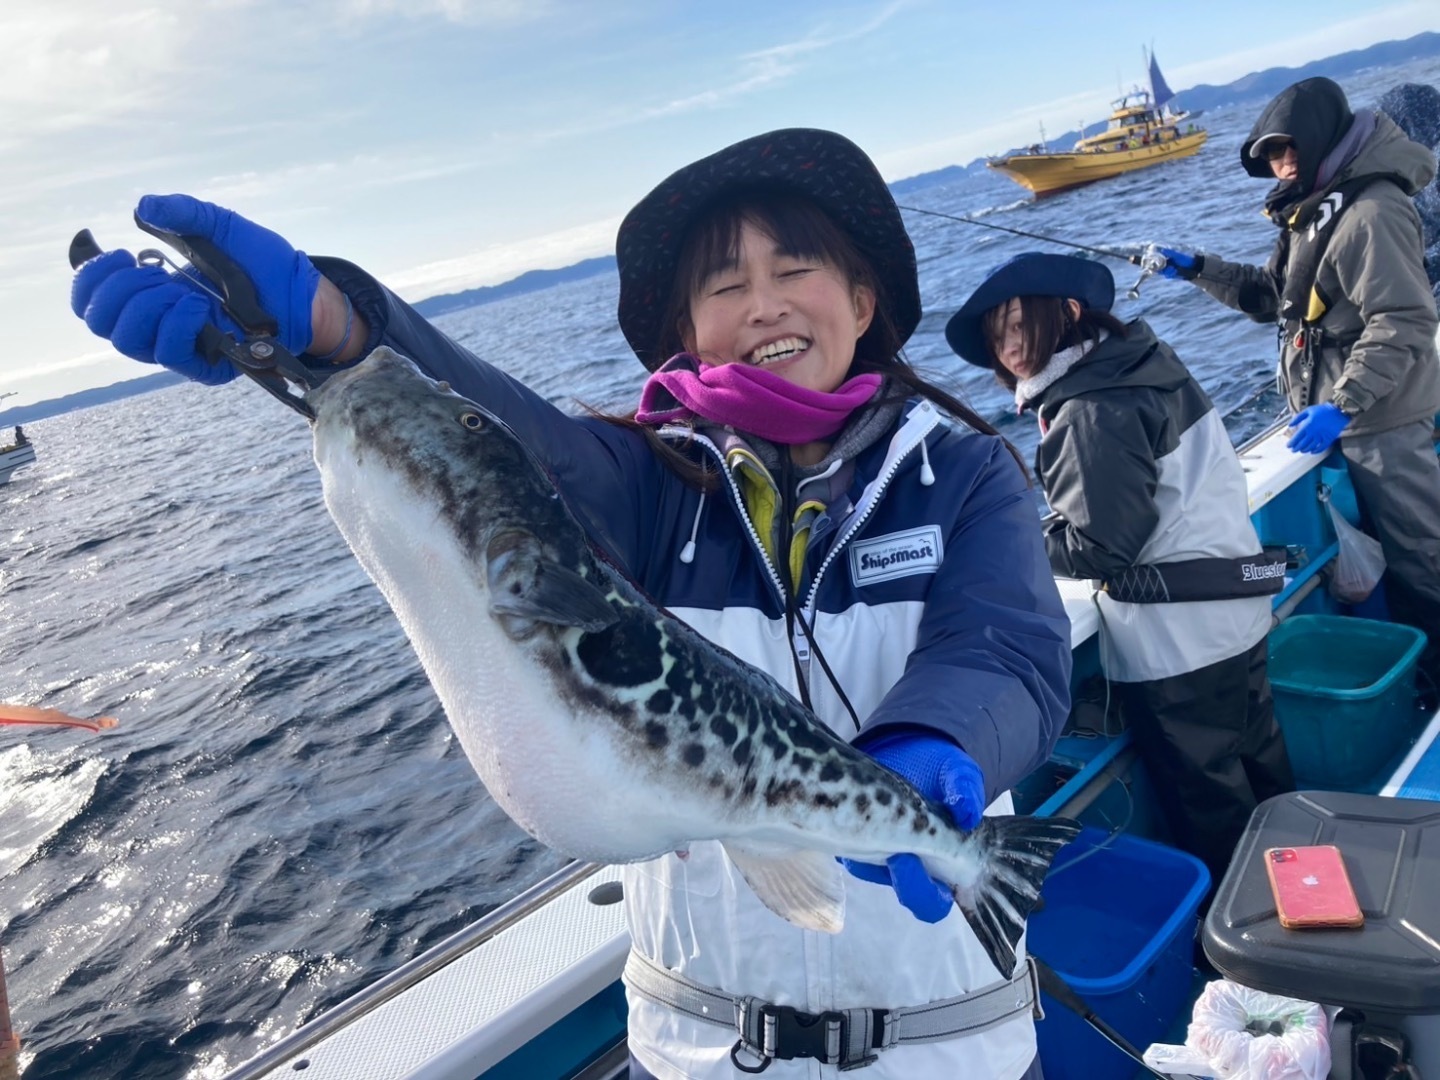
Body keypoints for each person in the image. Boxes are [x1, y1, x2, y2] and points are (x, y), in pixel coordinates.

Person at [70, 129, 1073, 1079]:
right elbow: (502, 453)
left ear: (863, 303)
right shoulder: (641, 484)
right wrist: (330, 328)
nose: (763, 302)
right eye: (726, 285)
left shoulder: (961, 473)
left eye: (795, 270)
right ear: (687, 335)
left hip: (948, 1044)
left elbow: (1010, 652)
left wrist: (941, 737)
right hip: (701, 1050)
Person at [945, 252, 1295, 886]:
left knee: (1213, 807)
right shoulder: (1144, 360)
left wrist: (1013, 537)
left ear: (1070, 313)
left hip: (1180, 645)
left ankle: (1257, 945)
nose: (1011, 347)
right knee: (1265, 770)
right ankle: (1310, 894)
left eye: (1022, 326)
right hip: (1235, 605)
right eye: (998, 334)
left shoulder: (1086, 410)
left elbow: (1102, 549)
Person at [1151, 76, 1440, 683]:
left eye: (1288, 150)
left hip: (1383, 421)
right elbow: (1272, 295)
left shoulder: (1371, 212)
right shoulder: (1315, 210)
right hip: (1348, 420)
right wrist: (1198, 269)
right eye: (1271, 157)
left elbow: (1406, 319)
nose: (1282, 166)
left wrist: (1344, 402)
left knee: (1425, 558)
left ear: (1320, 140)